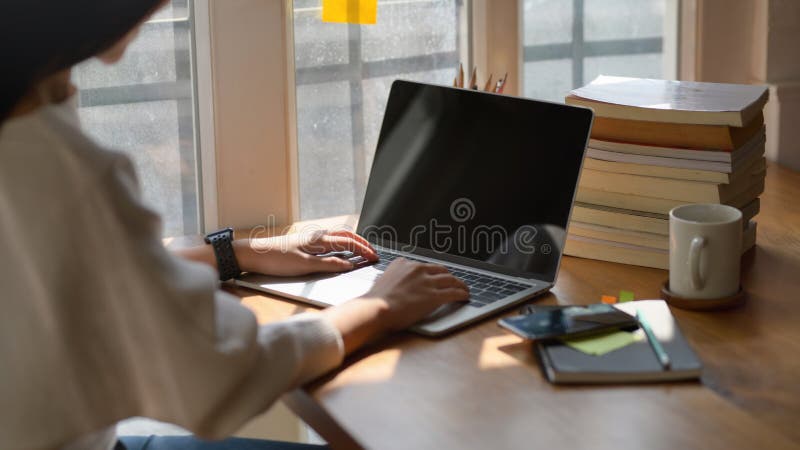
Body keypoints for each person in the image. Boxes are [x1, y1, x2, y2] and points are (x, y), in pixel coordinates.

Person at [0, 1, 469, 449]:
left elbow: (77, 269)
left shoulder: (30, 128)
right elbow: (216, 378)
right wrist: (380, 306)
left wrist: (239, 252)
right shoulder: (66, 168)